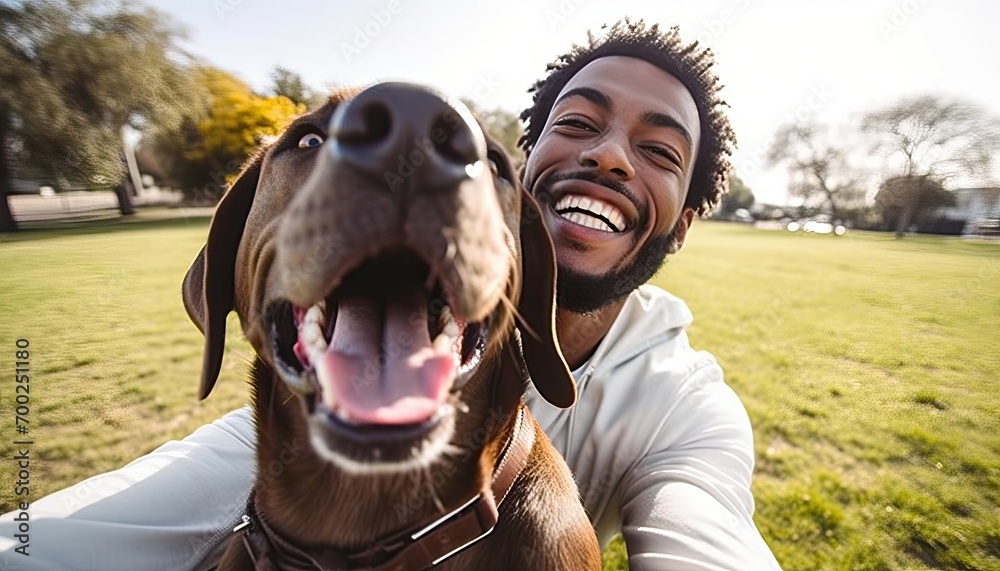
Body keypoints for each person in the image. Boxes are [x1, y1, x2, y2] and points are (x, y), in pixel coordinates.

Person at [0, 19, 781, 570]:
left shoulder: (688, 409)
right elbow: (56, 544)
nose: (609, 157)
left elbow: (708, 538)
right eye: (578, 123)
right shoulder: (288, 425)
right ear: (526, 168)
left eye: (657, 150)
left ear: (680, 227)